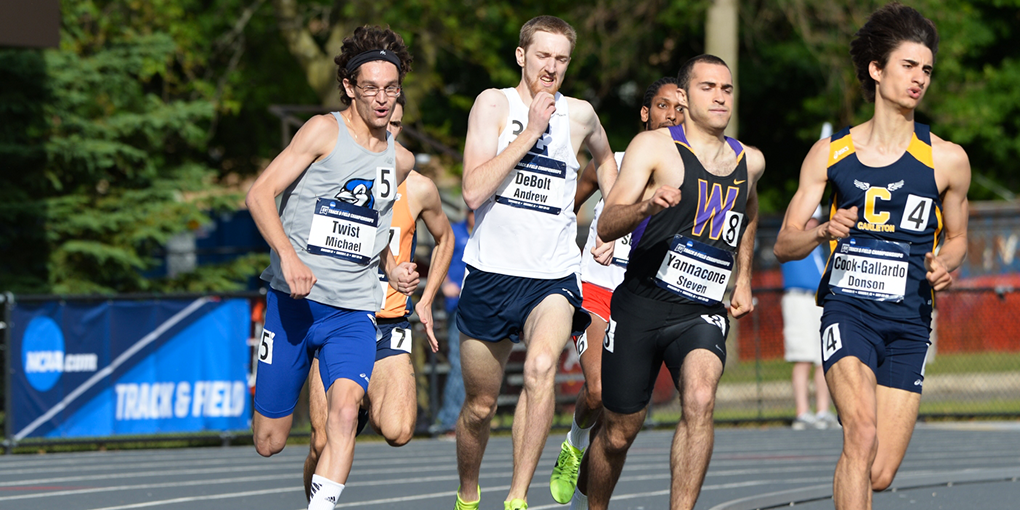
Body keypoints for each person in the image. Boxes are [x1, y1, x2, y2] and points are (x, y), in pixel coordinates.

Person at [773, 4, 970, 509]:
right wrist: (821, 231)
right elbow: (783, 244)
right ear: (876, 70)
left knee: (879, 473)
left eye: (927, 69)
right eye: (909, 66)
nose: (920, 79)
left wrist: (947, 262)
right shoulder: (830, 153)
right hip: (848, 311)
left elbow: (959, 239)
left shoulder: (947, 159)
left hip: (909, 321)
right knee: (859, 434)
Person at [575, 54, 765, 510]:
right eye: (708, 87)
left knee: (700, 398)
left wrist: (743, 278)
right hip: (640, 304)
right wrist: (646, 207)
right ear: (684, 95)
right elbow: (606, 225)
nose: (720, 96)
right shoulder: (655, 149)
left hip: (700, 310)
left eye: (727, 88)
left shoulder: (749, 160)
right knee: (620, 432)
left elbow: (750, 210)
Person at [246, 26, 418, 510]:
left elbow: (376, 227)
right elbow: (258, 194)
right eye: (370, 88)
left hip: (352, 313)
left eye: (391, 88)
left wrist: (395, 268)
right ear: (349, 86)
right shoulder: (324, 130)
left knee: (344, 415)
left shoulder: (400, 160)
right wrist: (289, 256)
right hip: (294, 305)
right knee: (269, 441)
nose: (382, 99)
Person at [454, 15, 617, 510]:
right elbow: (473, 189)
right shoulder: (493, 104)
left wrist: (612, 218)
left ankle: (518, 498)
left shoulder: (582, 114)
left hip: (552, 274)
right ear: (522, 55)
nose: (551, 67)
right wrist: (533, 132)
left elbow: (607, 159)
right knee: (480, 407)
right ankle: (467, 494)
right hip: (491, 273)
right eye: (542, 56)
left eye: (561, 59)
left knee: (542, 368)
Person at [301, 93, 455, 500]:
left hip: (388, 323)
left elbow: (446, 237)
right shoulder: (335, 174)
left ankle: (359, 404)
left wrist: (426, 297)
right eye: (383, 124)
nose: (389, 131)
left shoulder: (418, 187)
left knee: (400, 429)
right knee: (321, 442)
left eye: (398, 125)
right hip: (338, 317)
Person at [549, 76, 684, 504]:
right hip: (595, 287)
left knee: (622, 416)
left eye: (680, 109)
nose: (673, 116)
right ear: (646, 113)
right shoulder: (614, 162)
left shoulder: (689, 177)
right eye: (664, 106)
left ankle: (597, 470)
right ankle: (573, 444)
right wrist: (584, 241)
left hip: (642, 299)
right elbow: (559, 209)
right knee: (597, 391)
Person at [780, 205, 835, 430]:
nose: (812, 223)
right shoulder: (790, 238)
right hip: (799, 300)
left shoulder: (820, 245)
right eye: (808, 219)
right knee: (802, 358)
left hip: (820, 301)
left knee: (825, 358)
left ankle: (823, 411)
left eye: (814, 219)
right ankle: (802, 412)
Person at [433, 208, 474, 435]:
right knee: (459, 365)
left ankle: (464, 418)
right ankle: (449, 419)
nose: (475, 214)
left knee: (472, 368)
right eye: (471, 211)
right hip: (457, 308)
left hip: (480, 307)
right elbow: (439, 256)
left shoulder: (484, 232)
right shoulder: (455, 231)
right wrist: (444, 283)